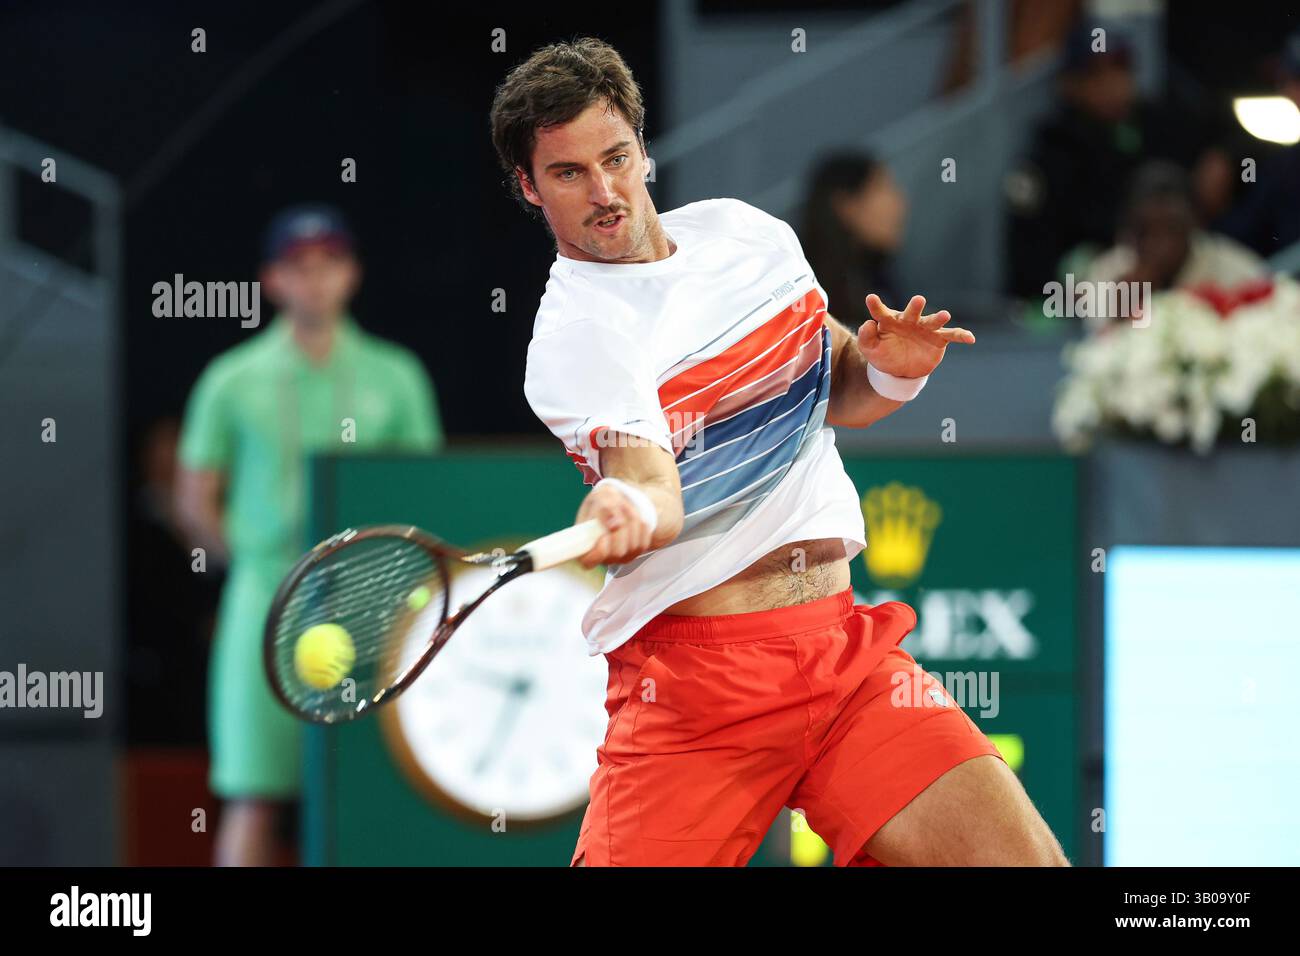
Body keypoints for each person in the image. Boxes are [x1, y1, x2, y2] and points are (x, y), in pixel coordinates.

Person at [491, 37, 1068, 867]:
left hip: (844, 656)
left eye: (616, 157)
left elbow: (837, 385)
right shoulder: (575, 337)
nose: (606, 192)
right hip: (697, 697)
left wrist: (889, 372)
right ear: (529, 186)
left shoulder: (747, 236)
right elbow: (652, 483)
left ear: (645, 149)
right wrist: (630, 505)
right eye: (568, 173)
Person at [175, 204, 445, 866]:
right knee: (253, 793)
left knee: (382, 786)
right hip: (264, 598)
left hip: (370, 603)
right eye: (300, 268)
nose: (315, 281)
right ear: (274, 280)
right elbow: (193, 494)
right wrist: (247, 564)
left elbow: (425, 490)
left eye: (329, 265)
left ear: (350, 274)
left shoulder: (396, 374)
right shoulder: (231, 378)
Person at [1005, 24, 1228, 298]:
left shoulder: (1159, 124)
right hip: (1085, 295)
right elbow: (1032, 258)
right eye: (1096, 75)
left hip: (1179, 281)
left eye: (1120, 70)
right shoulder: (1049, 155)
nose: (1112, 85)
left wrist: (1223, 156)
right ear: (1070, 85)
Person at [1084, 161, 1268, 328]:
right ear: (1127, 229)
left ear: (1194, 223)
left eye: (1171, 229)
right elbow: (1096, 350)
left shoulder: (1237, 270)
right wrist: (1122, 310)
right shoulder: (1107, 272)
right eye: (1145, 231)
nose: (1159, 245)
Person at [799, 151, 908, 331]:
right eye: (882, 189)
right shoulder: (807, 287)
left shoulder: (877, 275)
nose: (899, 203)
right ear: (845, 206)